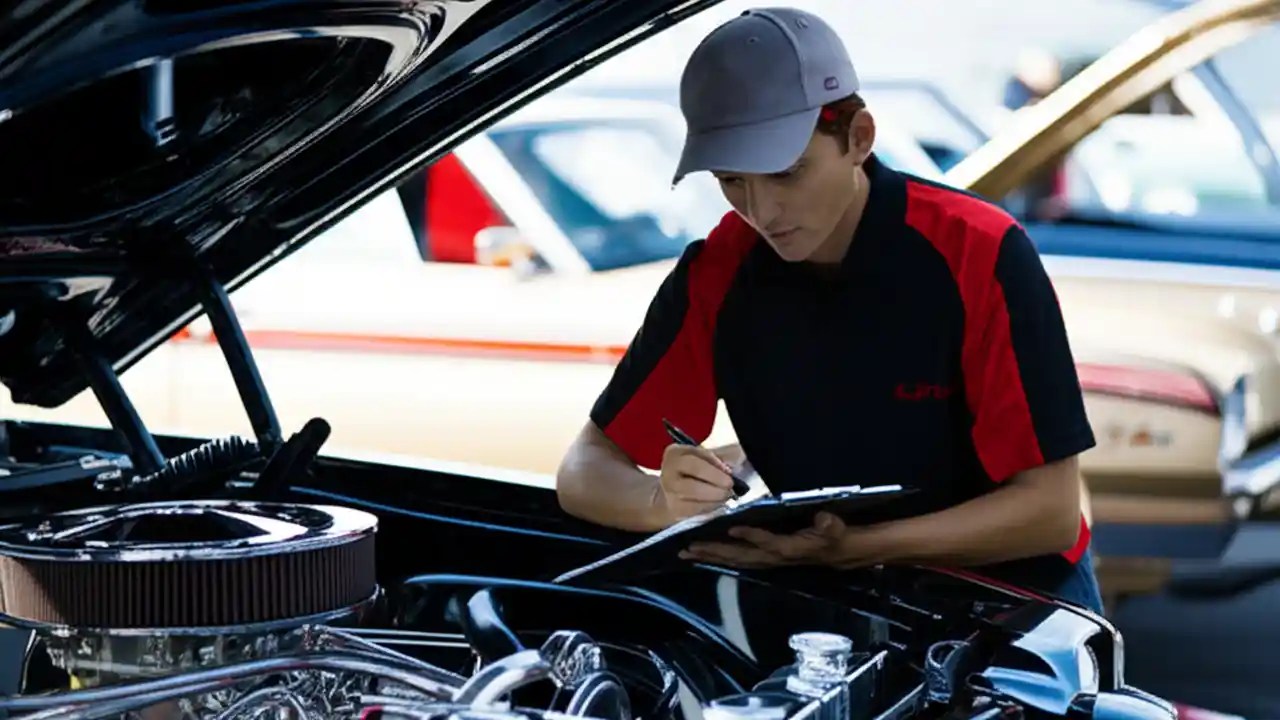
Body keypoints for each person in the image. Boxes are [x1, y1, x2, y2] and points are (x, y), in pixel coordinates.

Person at [554, 7, 1103, 613]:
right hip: (822, 591)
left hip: (1018, 600)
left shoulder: (979, 250)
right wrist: (659, 501)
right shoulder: (718, 268)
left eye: (787, 172)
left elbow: (1050, 511)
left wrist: (860, 546)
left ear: (858, 138)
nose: (761, 211)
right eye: (733, 180)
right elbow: (584, 467)